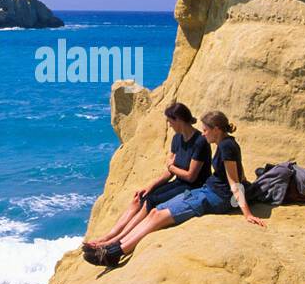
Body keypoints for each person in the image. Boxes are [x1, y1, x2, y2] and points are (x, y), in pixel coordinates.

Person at [84, 110, 265, 268]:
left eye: (205, 130)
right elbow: (239, 174)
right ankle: (113, 245)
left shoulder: (227, 147)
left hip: (215, 198)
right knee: (155, 211)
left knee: (159, 217)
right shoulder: (226, 143)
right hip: (205, 191)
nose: (203, 134)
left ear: (216, 129)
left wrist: (247, 213)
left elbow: (234, 183)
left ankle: (116, 253)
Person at [83, 102, 210, 250]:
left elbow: (191, 176)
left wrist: (171, 166)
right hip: (179, 182)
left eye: (170, 121)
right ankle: (108, 236)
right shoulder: (177, 139)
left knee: (151, 201)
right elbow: (170, 172)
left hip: (194, 187)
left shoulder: (200, 142)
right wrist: (150, 186)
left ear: (179, 120)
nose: (169, 125)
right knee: (142, 197)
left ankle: (116, 241)